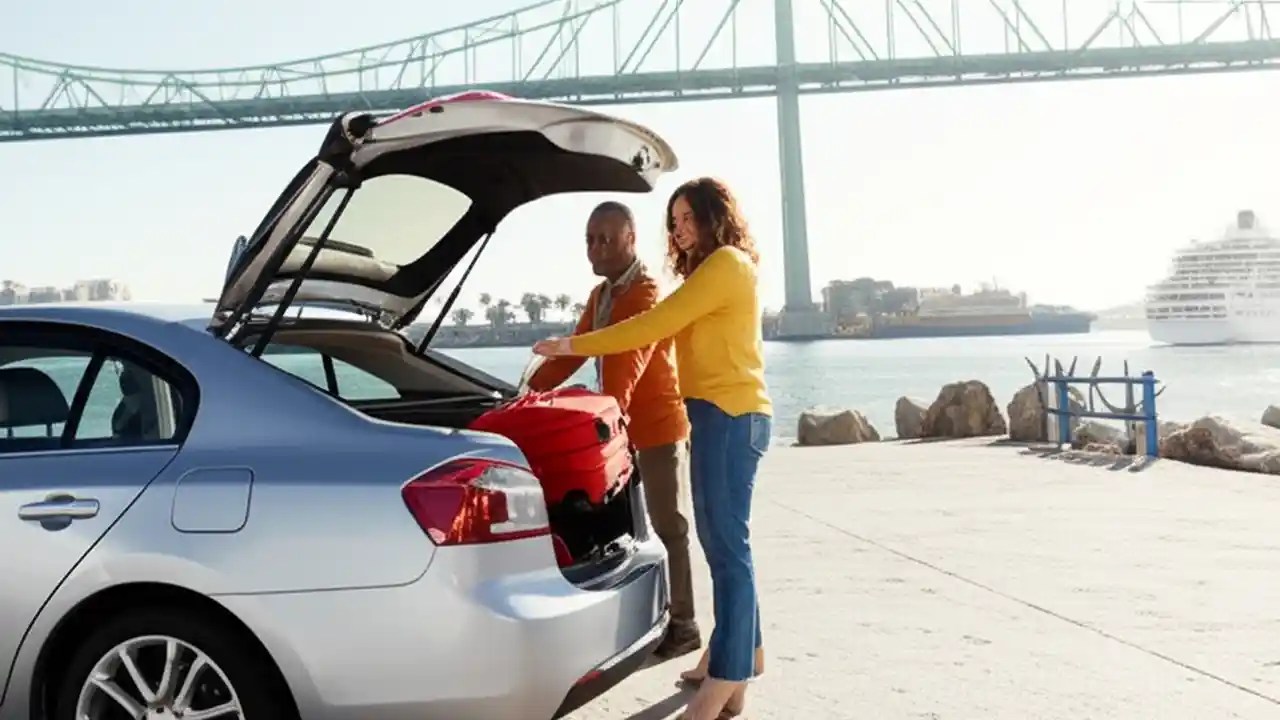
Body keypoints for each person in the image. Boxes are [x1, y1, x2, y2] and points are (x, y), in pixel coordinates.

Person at [534, 178, 772, 720]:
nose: (681, 229)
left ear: (717, 217)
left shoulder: (726, 263)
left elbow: (650, 328)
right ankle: (743, 650)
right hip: (715, 414)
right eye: (676, 220)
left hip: (732, 415)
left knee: (726, 549)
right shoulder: (707, 270)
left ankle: (726, 680)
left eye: (691, 217)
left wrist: (574, 346)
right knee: (725, 546)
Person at [526, 200, 703, 660]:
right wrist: (528, 391)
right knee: (630, 530)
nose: (595, 249)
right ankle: (651, 618)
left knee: (668, 526)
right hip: (620, 430)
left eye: (605, 239)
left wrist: (610, 412)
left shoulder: (645, 292)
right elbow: (574, 352)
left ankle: (684, 625)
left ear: (630, 240)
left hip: (657, 428)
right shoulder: (601, 296)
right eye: (589, 239)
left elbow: (630, 359)